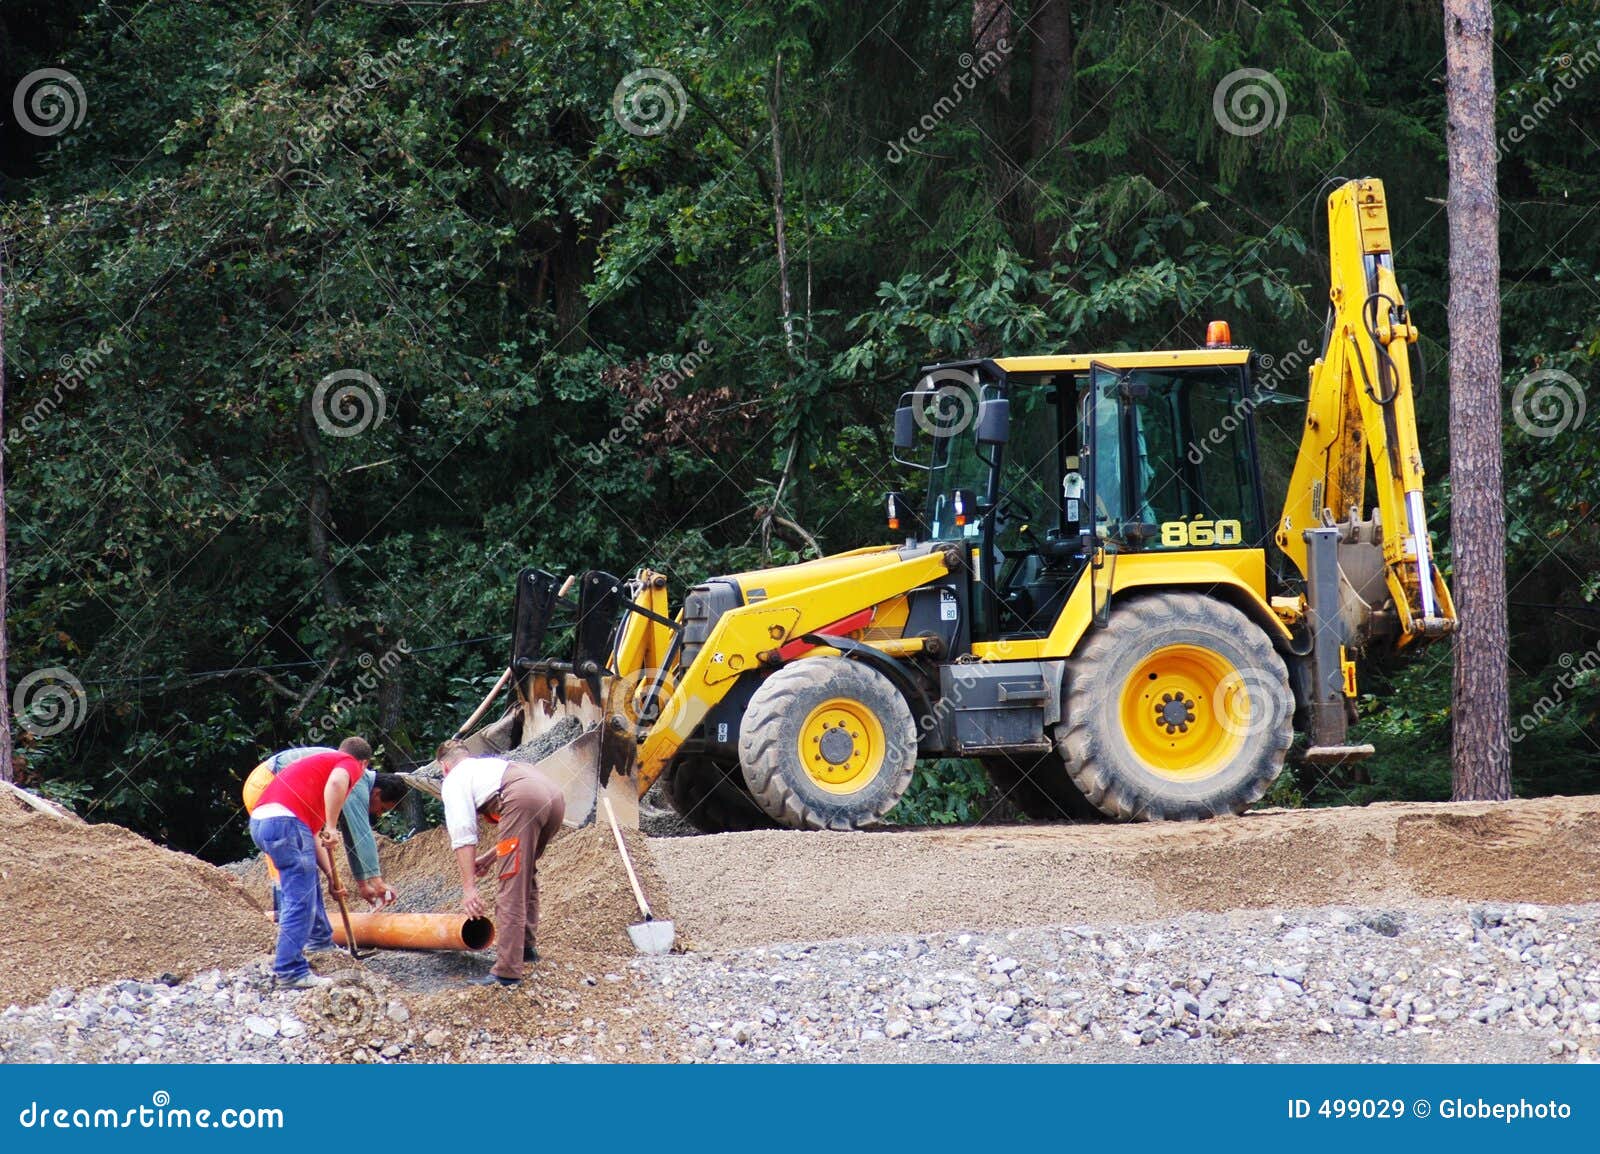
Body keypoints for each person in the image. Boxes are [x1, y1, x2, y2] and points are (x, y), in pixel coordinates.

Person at [435, 740, 566, 987]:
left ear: (444, 767)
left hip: (524, 798)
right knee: (525, 873)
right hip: (553, 796)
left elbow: (463, 834)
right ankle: (525, 949)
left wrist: (469, 889)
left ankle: (506, 971)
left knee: (511, 882)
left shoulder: (454, 780)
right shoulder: (488, 766)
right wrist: (488, 858)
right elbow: (517, 834)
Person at [248, 738, 369, 988]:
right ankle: (290, 971)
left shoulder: (312, 779)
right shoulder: (349, 762)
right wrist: (334, 828)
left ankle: (320, 942)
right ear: (364, 763)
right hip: (285, 824)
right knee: (299, 899)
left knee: (307, 884)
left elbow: (311, 837)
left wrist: (332, 877)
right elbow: (337, 781)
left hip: (264, 823)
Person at [242, 740, 407, 915]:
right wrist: (376, 882)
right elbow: (360, 834)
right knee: (297, 857)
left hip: (260, 784)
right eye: (382, 808)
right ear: (377, 793)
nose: (379, 814)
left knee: (285, 858)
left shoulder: (344, 778)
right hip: (267, 783)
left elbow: (344, 834)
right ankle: (294, 920)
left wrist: (359, 884)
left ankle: (286, 917)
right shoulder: (358, 778)